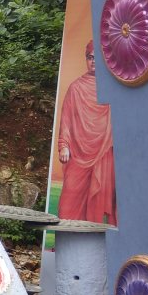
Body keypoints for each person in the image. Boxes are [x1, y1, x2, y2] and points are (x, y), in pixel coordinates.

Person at [57, 40, 117, 224]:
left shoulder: (111, 89)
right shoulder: (76, 88)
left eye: (97, 58)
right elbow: (66, 119)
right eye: (90, 57)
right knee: (69, 198)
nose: (93, 62)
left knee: (99, 200)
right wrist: (63, 145)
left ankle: (95, 243)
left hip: (103, 152)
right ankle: (67, 239)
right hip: (77, 152)